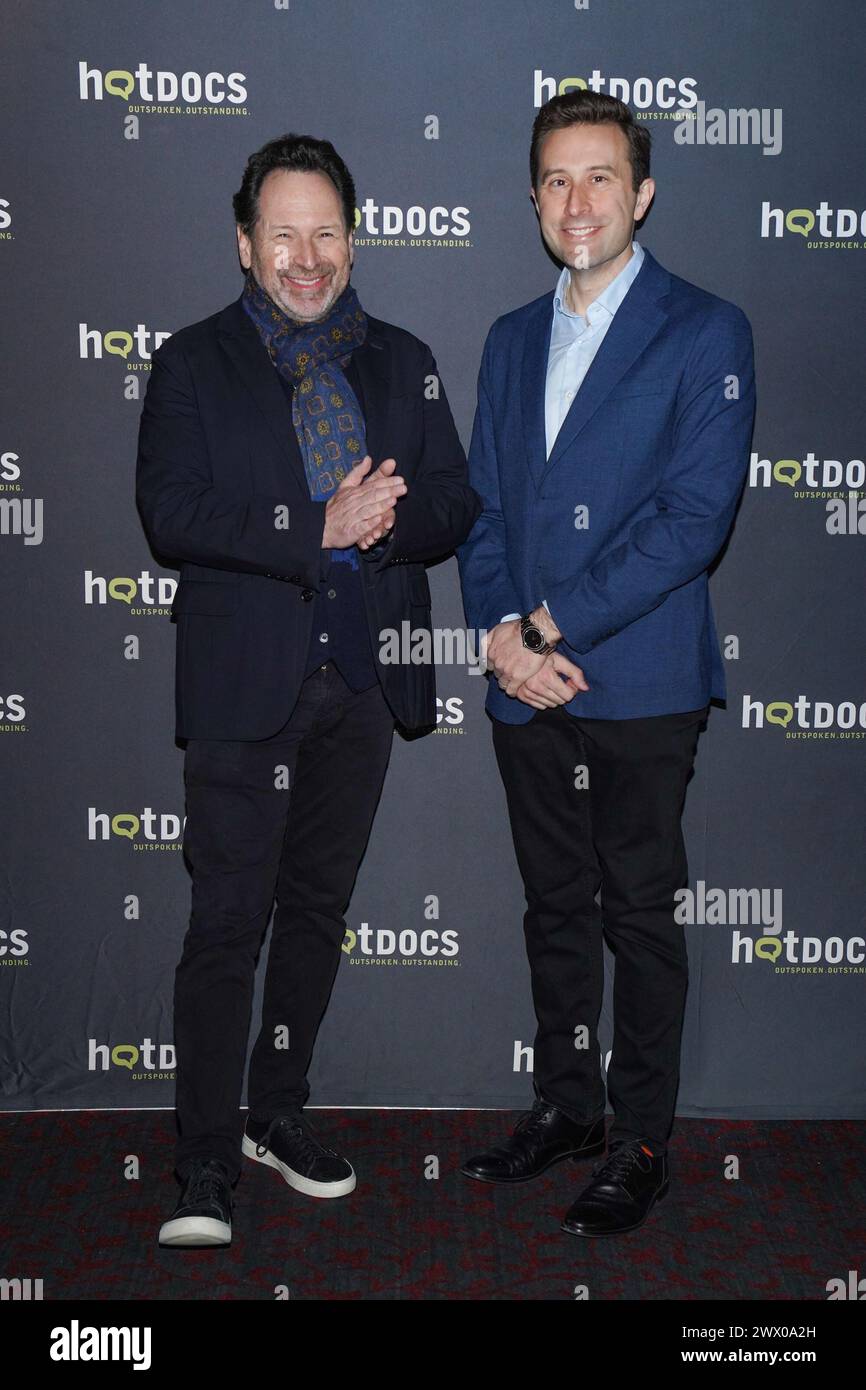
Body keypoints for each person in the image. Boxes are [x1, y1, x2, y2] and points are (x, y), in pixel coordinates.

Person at [136, 132, 479, 1247]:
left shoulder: (402, 358)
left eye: (325, 230)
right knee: (227, 924)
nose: (305, 254)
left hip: (359, 685)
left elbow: (451, 501)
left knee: (316, 916)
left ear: (352, 237)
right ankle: (199, 1164)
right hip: (245, 687)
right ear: (245, 244)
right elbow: (171, 513)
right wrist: (314, 523)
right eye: (281, 232)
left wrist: (383, 521)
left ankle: (275, 1115)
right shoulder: (192, 363)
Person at [457, 90, 755, 1237]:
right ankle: (565, 1108)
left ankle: (638, 1138)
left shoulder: (703, 328)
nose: (575, 201)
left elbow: (691, 519)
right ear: (533, 198)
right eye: (553, 180)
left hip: (635, 679)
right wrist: (497, 634)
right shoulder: (508, 337)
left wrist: (545, 628)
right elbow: (482, 510)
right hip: (525, 686)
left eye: (598, 178)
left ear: (639, 193)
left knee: (636, 914)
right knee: (552, 910)